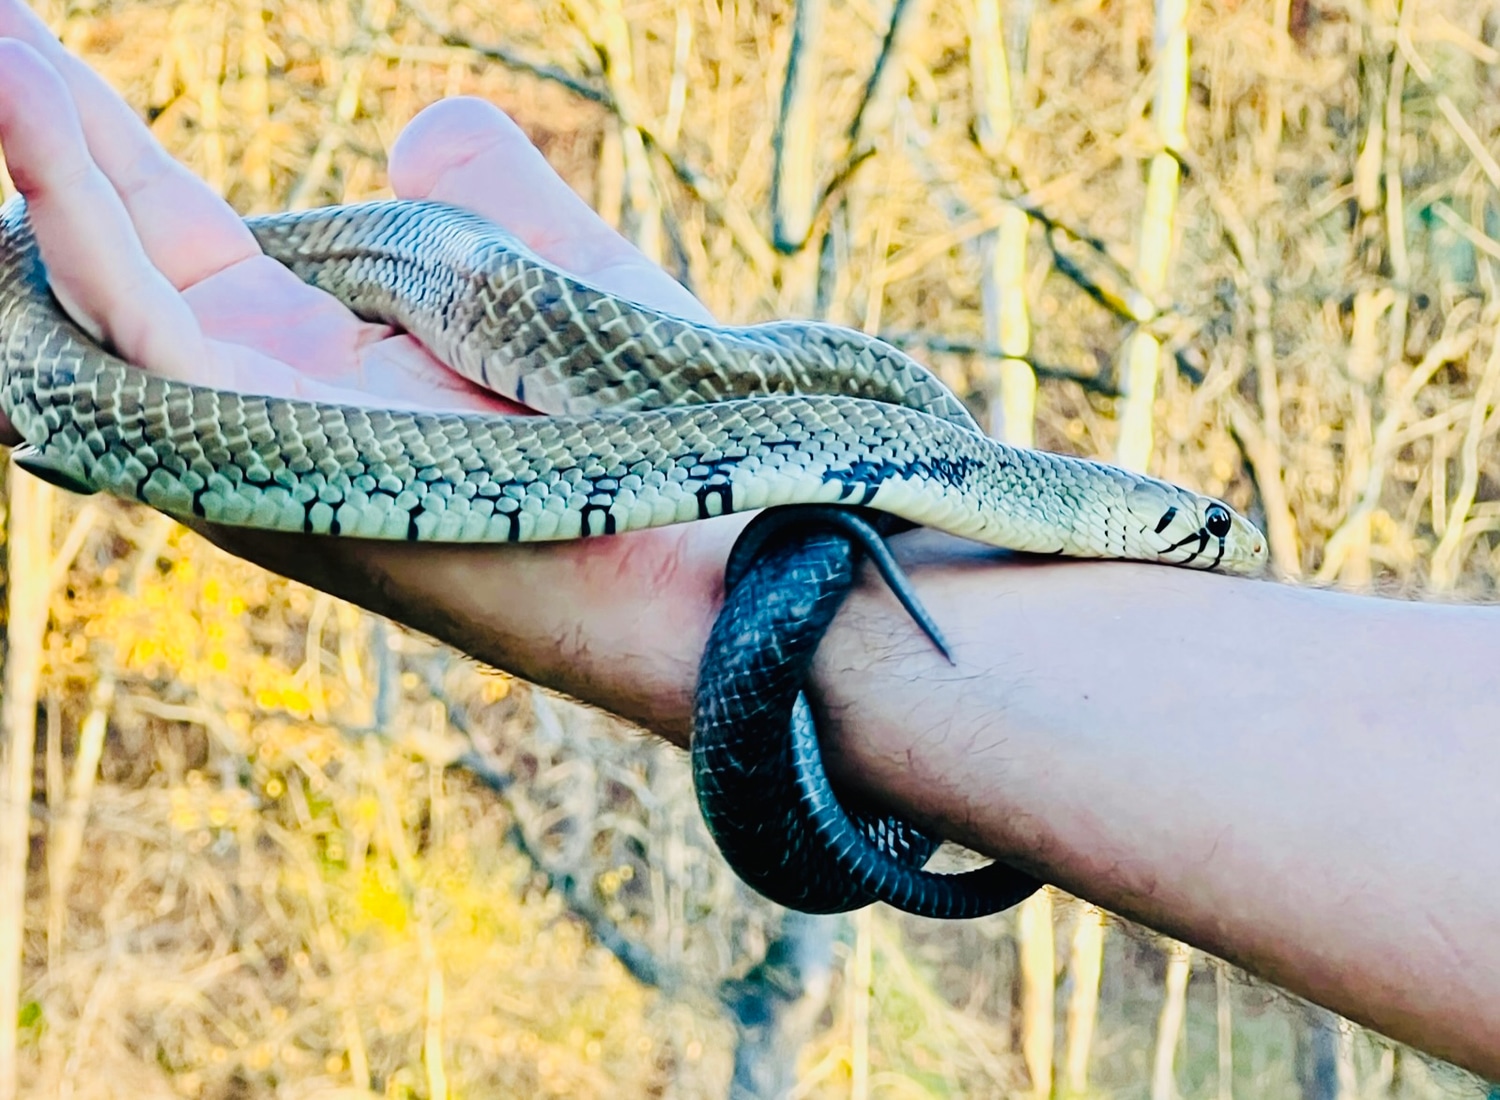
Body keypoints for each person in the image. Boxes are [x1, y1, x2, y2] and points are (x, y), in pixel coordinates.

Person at [0, 1, 1496, 1078]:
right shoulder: (897, 435)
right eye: (1200, 529)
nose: (1215, 543)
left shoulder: (916, 437)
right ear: (1130, 515)